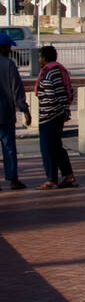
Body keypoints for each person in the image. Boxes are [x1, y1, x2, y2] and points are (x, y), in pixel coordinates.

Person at [35, 45, 76, 189]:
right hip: (57, 115)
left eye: (40, 56)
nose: (38, 59)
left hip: (49, 116)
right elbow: (68, 91)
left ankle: (51, 179)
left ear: (45, 58)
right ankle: (68, 175)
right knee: (57, 146)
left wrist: (54, 110)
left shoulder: (50, 72)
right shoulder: (59, 70)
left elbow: (53, 94)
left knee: (47, 148)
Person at [0, 32, 30, 189]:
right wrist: (24, 109)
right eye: (9, 47)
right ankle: (13, 179)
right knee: (9, 147)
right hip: (5, 114)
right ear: (3, 47)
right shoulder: (9, 65)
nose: (10, 49)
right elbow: (16, 89)